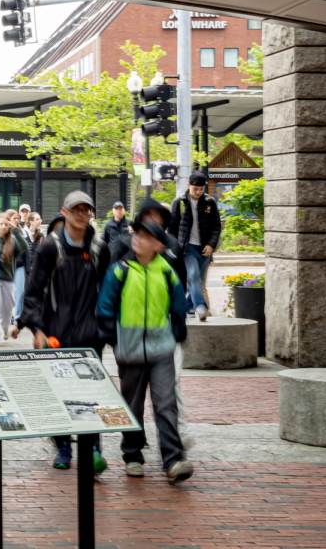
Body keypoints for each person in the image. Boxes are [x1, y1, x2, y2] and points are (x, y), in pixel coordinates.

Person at [96, 218, 192, 482]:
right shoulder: (119, 271)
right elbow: (105, 306)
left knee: (165, 404)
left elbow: (179, 306)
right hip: (129, 350)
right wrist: (113, 339)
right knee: (132, 406)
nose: (138, 238)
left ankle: (173, 460)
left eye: (146, 236)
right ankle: (133, 455)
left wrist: (177, 330)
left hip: (161, 350)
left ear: (159, 245)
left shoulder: (166, 272)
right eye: (136, 234)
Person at [21, 190, 109, 474]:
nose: (82, 214)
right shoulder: (50, 247)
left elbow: (107, 291)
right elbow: (33, 292)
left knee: (91, 393)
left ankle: (93, 448)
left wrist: (104, 328)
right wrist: (36, 328)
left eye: (86, 209)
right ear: (65, 211)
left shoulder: (98, 248)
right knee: (60, 392)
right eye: (76, 209)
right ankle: (63, 446)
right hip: (56, 333)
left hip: (89, 335)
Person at [169, 172, 222, 321]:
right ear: (188, 186)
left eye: (201, 189)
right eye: (195, 189)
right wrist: (175, 248)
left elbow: (216, 227)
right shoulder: (179, 202)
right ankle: (200, 306)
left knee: (199, 279)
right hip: (187, 248)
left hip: (205, 248)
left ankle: (188, 306)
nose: (198, 192)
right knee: (192, 276)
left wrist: (211, 245)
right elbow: (172, 228)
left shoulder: (209, 202)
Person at [0, 213, 28, 347]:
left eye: (6, 224)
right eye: (1, 224)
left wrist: (15, 229)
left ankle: (4, 328)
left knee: (7, 308)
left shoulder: (13, 240)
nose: (4, 226)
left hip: (9, 279)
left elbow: (25, 246)